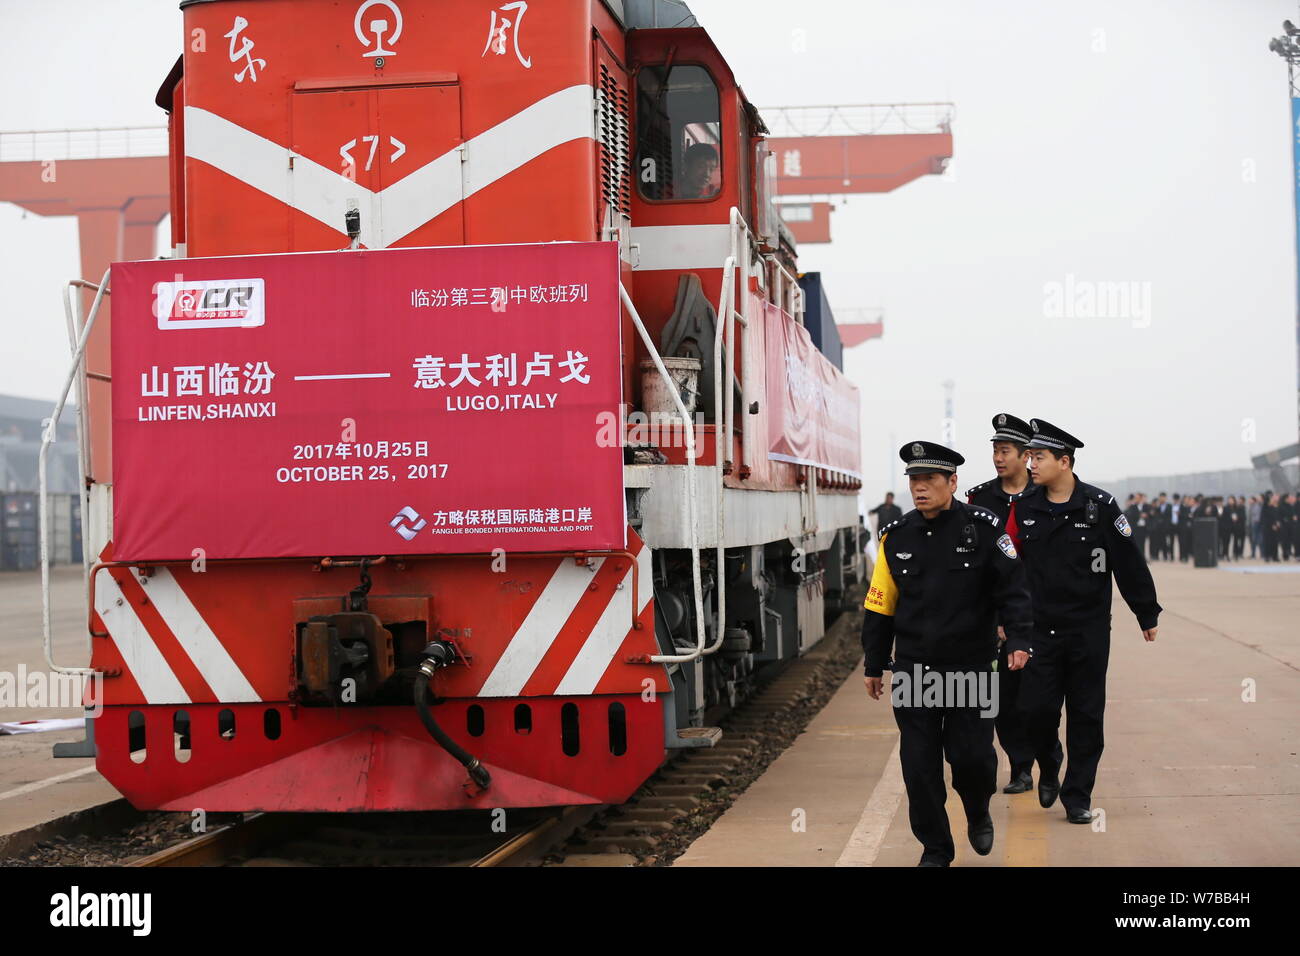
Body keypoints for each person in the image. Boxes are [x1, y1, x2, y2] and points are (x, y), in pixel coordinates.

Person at [861, 441, 1033, 866]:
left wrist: (1019, 639)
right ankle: (936, 849)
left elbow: (1013, 589)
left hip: (971, 667)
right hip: (915, 671)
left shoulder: (984, 528)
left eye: (929, 480)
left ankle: (977, 812)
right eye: (914, 481)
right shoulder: (896, 537)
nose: (920, 488)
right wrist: (874, 662)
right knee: (919, 769)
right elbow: (880, 604)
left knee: (972, 759)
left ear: (952, 482)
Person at [1015, 419, 1160, 824]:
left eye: (1038, 457)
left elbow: (1128, 562)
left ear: (1064, 461)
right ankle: (1049, 758)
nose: (1031, 464)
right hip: (1039, 631)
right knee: (1035, 711)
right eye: (1029, 456)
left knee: (1086, 715)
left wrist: (1145, 611)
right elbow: (1006, 570)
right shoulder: (1024, 508)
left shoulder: (1100, 507)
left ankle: (1077, 795)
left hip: (1088, 632)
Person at [965, 413, 1060, 795]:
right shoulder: (980, 498)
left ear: (1025, 456)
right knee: (1003, 700)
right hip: (997, 618)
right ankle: (1021, 767)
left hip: (1042, 614)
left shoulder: (1045, 496)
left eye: (1005, 451)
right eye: (995, 451)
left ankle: (1050, 762)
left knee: (1038, 701)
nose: (998, 458)